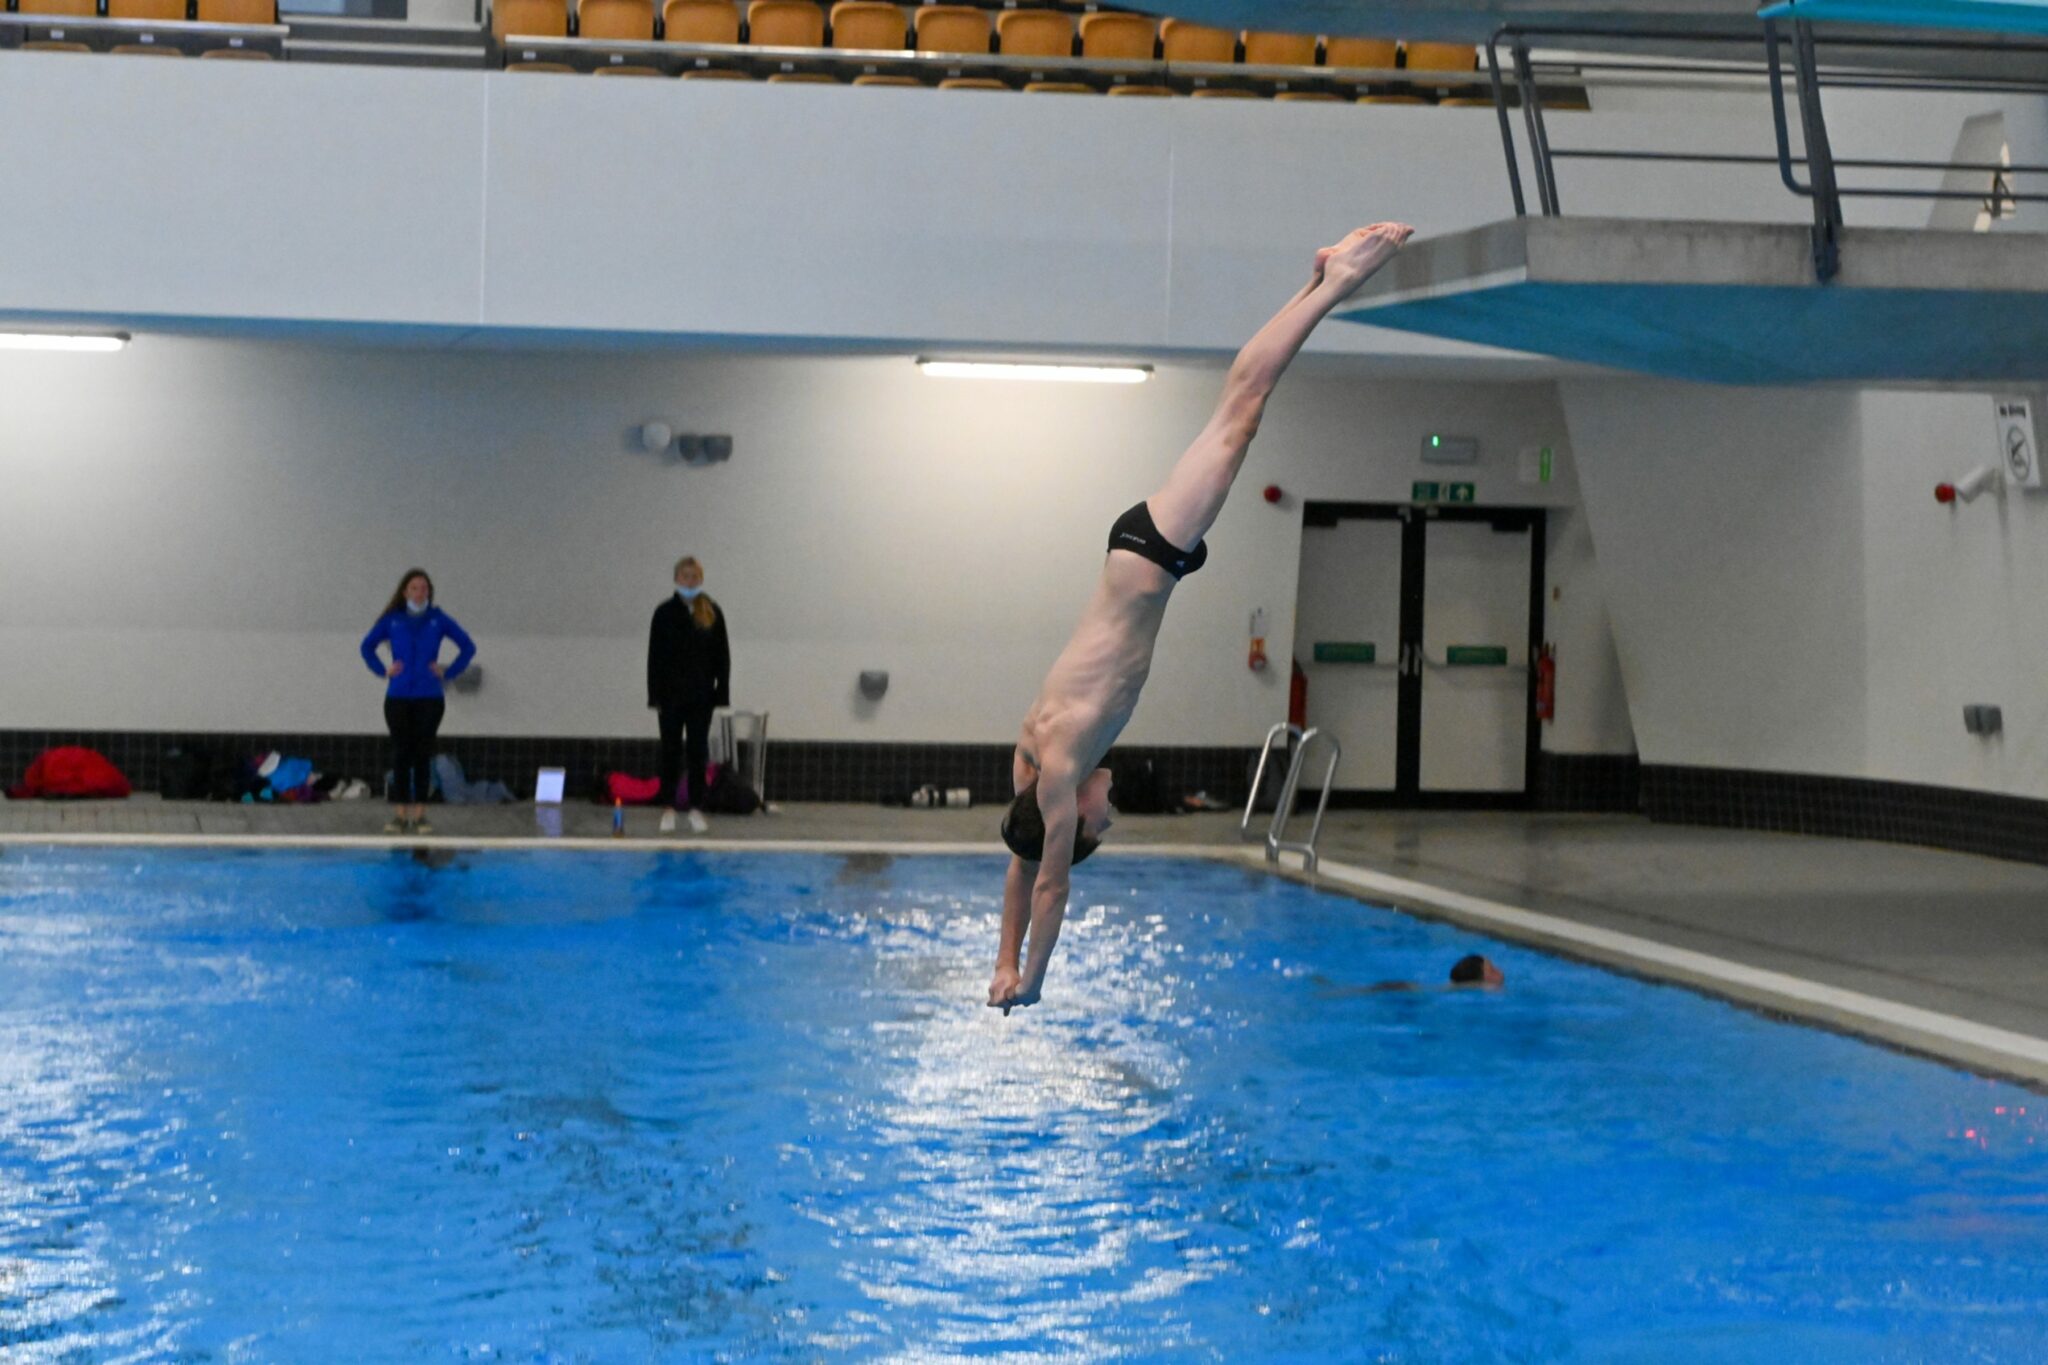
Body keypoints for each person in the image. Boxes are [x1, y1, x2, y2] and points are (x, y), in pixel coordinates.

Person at [989, 222, 1416, 1015]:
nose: (1110, 816)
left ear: (1073, 817)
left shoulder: (1054, 774)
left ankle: (1337, 280)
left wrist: (1034, 978)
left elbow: (1048, 879)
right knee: (1237, 411)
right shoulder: (1032, 767)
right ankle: (1319, 281)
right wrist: (1000, 962)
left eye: (1099, 828)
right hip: (1145, 562)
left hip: (1149, 555)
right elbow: (1020, 864)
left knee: (1241, 408)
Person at [359, 568, 476, 836]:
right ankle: (400, 816)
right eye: (414, 588)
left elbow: (468, 646)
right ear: (405, 592)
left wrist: (448, 671)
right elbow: (367, 647)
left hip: (430, 698)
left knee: (422, 755)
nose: (419, 592)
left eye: (424, 588)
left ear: (429, 593)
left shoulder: (438, 620)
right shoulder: (393, 620)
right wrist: (382, 670)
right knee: (401, 755)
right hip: (398, 697)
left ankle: (420, 815)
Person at [647, 555, 731, 818]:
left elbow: (723, 656)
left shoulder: (713, 612)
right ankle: (668, 802)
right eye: (685, 576)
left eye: (694, 577)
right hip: (670, 697)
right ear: (676, 579)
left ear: (701, 579)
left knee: (697, 751)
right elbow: (654, 657)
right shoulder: (663, 613)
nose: (690, 581)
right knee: (670, 750)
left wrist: (722, 693)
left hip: (701, 696)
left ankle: (697, 803)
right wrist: (654, 695)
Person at [1314, 954, 1507, 996]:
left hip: (1410, 988)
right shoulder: (1471, 987)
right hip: (1406, 990)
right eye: (1491, 970)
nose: (1499, 972)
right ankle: (1333, 991)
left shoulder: (1460, 988)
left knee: (1364, 990)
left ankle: (1332, 988)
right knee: (1362, 992)